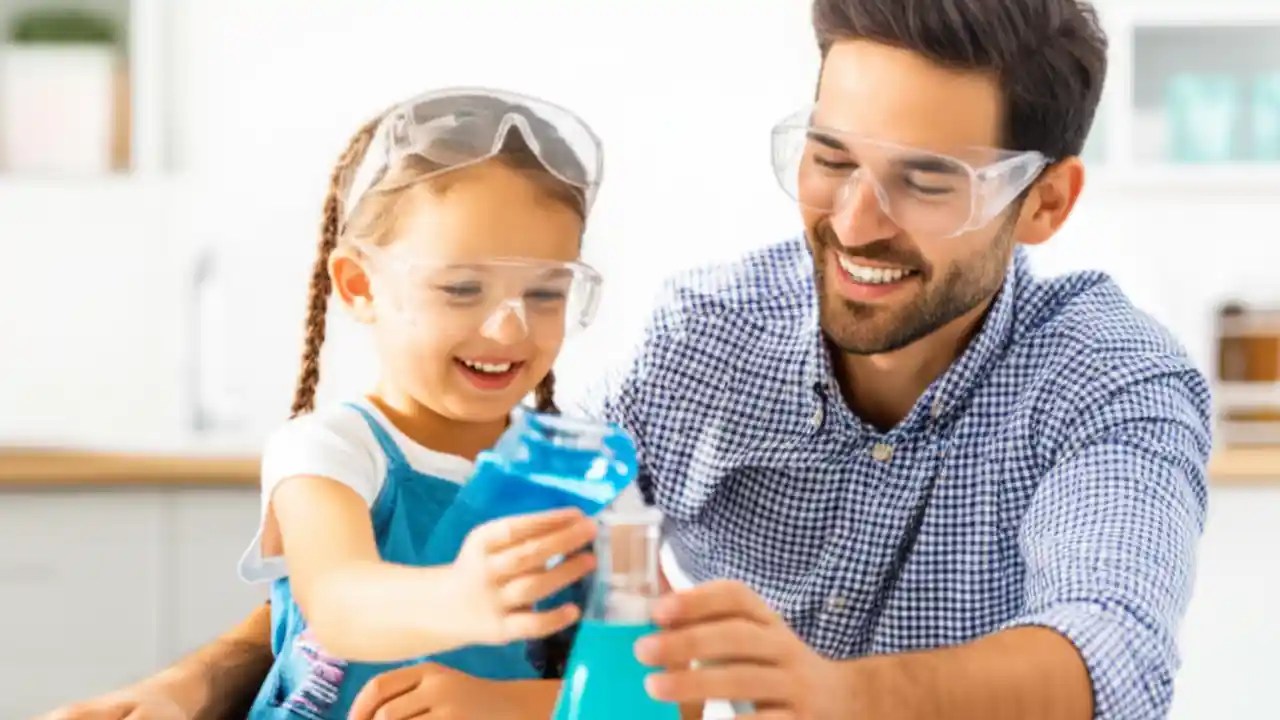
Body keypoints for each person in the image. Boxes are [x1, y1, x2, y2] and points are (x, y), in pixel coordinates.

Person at [44, 1, 1210, 718]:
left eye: (925, 180)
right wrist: (212, 677)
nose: (854, 222)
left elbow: (1102, 658)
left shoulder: (1110, 385)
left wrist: (831, 698)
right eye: (826, 156)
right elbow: (458, 556)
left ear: (1046, 201)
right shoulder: (705, 336)